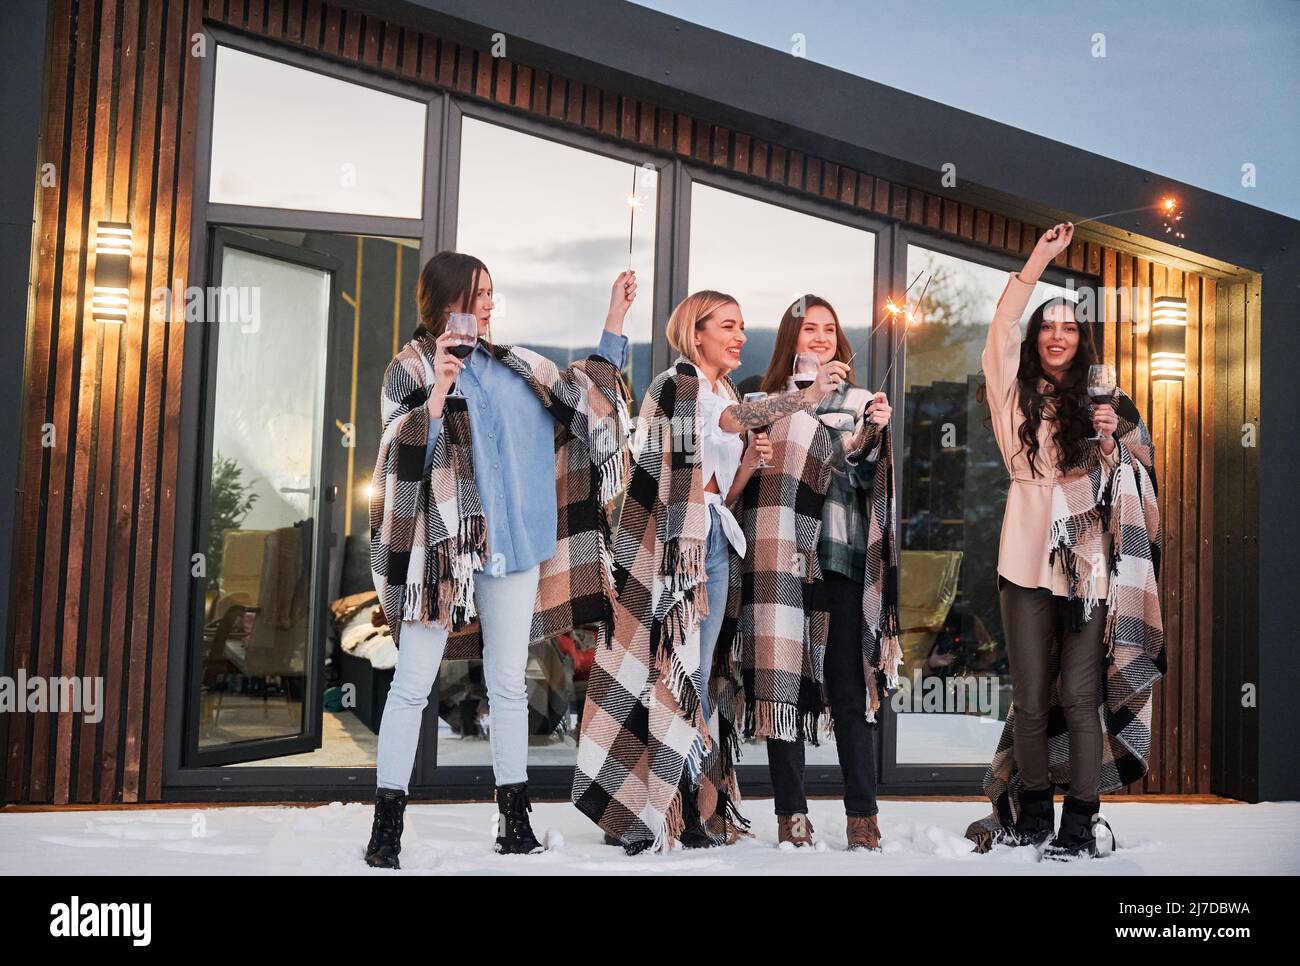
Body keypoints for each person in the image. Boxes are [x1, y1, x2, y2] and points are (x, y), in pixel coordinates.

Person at [365, 251, 635, 867]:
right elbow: (399, 455)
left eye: (491, 292)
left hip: (514, 547)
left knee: (510, 685)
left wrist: (615, 315)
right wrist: (438, 390)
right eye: (479, 292)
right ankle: (387, 827)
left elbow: (584, 395)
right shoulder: (406, 371)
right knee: (411, 686)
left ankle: (514, 819)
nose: (489, 303)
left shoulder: (517, 366)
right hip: (437, 558)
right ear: (447, 299)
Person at [573, 289, 850, 853]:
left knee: (696, 678)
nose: (740, 336)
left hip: (716, 542)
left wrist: (747, 464)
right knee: (679, 674)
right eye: (728, 325)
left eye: (743, 326)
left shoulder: (721, 386)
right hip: (678, 550)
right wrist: (806, 397)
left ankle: (680, 803)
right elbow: (731, 421)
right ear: (696, 334)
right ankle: (666, 811)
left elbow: (721, 491)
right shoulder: (684, 384)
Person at [966, 223, 1165, 859]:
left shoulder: (1106, 403)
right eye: (1047, 325)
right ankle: (1031, 818)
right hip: (1025, 555)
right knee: (1028, 698)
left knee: (1081, 696)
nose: (1057, 334)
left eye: (1069, 327)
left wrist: (1110, 438)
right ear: (1035, 337)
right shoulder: (1011, 392)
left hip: (1091, 566)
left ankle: (1080, 822)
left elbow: (1141, 475)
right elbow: (1000, 327)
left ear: (1081, 341)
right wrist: (1040, 260)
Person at [738, 295, 900, 851]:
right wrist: (807, 401)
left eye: (829, 329)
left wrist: (875, 434)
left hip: (842, 555)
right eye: (810, 329)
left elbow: (860, 477)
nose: (822, 337)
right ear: (792, 337)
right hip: (781, 559)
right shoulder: (764, 398)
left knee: (850, 687)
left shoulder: (860, 400)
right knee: (782, 685)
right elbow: (755, 470)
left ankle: (863, 814)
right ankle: (792, 815)